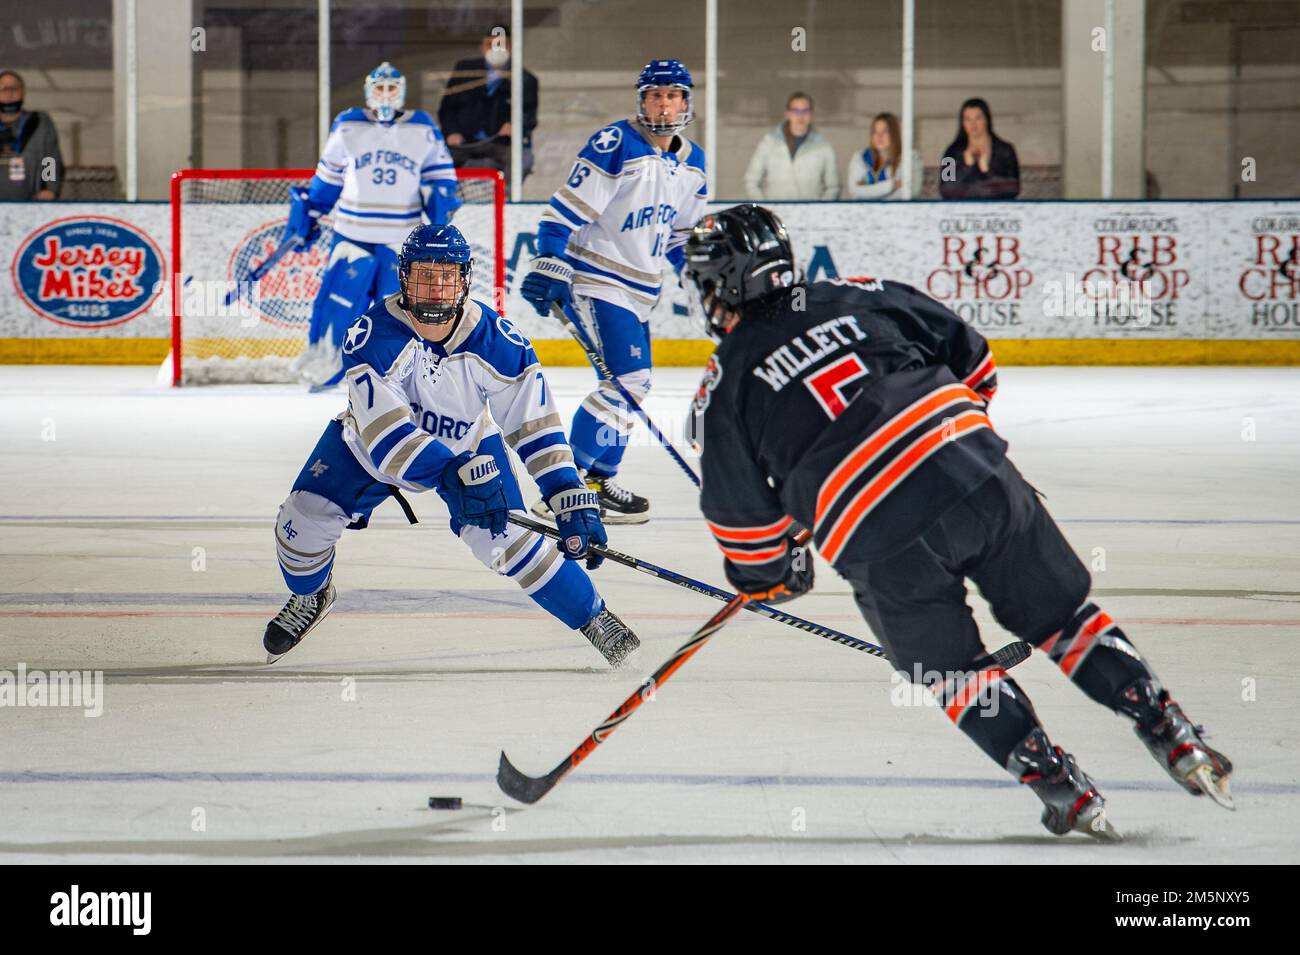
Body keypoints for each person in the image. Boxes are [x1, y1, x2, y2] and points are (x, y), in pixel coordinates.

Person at [682, 204, 1234, 839]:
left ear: (724, 283)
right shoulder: (860, 292)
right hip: (977, 475)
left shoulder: (720, 387)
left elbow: (747, 534)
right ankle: (1170, 729)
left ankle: (1059, 785)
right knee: (1062, 618)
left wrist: (780, 571)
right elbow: (974, 361)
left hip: (878, 540)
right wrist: (946, 445)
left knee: (952, 672)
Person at [264, 223, 639, 669]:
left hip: (469, 447)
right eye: (425, 274)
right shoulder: (372, 336)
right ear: (404, 277)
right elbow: (385, 436)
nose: (436, 287)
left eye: (447, 275)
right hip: (368, 451)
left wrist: (567, 497)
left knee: (508, 541)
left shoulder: (501, 341)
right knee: (302, 519)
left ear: (464, 280)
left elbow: (535, 426)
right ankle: (311, 594)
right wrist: (447, 473)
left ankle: (594, 617)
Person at [519, 59, 709, 524]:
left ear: (686, 102)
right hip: (598, 278)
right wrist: (550, 257)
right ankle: (562, 489)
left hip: (641, 288)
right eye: (655, 94)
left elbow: (681, 236)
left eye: (673, 95)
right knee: (629, 381)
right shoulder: (615, 143)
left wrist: (698, 278)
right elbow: (562, 212)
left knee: (629, 386)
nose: (663, 104)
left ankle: (598, 482)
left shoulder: (695, 162)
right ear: (641, 100)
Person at [288, 62, 462, 387]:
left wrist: (439, 206)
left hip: (400, 238)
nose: (385, 95)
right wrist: (310, 210)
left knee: (396, 308)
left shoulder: (423, 128)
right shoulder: (347, 125)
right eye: (379, 89)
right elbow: (327, 180)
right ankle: (329, 362)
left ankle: (397, 369)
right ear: (369, 93)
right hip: (353, 233)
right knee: (339, 303)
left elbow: (442, 183)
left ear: (402, 93)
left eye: (392, 89)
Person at [438, 25, 539, 186]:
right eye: (490, 45)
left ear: (511, 47)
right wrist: (452, 132)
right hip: (463, 144)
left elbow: (529, 116)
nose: (496, 50)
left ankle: (507, 202)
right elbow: (447, 108)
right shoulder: (464, 70)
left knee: (519, 160)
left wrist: (515, 125)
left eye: (501, 44)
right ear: (482, 47)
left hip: (500, 144)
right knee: (439, 163)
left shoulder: (525, 79)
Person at [742, 93, 839, 200]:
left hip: (811, 214)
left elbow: (833, 187)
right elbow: (751, 182)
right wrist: (764, 210)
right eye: (796, 111)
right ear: (787, 114)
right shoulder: (768, 143)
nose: (800, 116)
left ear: (811, 114)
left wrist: (819, 210)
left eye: (805, 111)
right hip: (774, 214)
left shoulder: (824, 147)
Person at [939, 97, 1020, 199]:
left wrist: (987, 171)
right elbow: (945, 189)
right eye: (968, 119)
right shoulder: (952, 152)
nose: (973, 124)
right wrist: (967, 168)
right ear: (963, 123)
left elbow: (1014, 189)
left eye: (978, 118)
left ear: (987, 120)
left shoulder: (1005, 150)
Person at [0, 70, 63, 201]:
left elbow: (49, 158)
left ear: (23, 92)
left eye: (14, 88)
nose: (9, 93)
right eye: (3, 89)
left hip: (31, 203)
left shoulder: (39, 122)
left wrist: (49, 188)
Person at [845, 112, 922, 201]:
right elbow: (854, 191)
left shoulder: (910, 157)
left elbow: (911, 191)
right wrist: (891, 185)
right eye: (875, 132)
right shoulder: (859, 158)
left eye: (885, 131)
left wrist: (866, 190)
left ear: (894, 134)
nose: (879, 136)